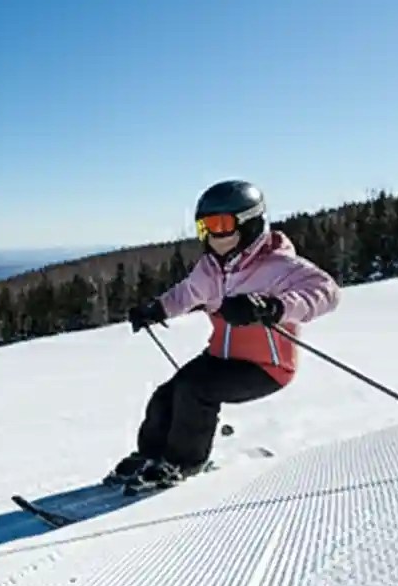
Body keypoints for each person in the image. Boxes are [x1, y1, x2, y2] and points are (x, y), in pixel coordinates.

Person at [107, 179, 341, 489]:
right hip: (220, 357)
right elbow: (187, 293)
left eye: (221, 225)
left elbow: (327, 292)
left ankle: (183, 462)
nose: (212, 236)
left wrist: (272, 307)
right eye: (205, 227)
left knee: (195, 391)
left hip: (266, 367)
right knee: (166, 395)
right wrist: (157, 309)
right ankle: (149, 455)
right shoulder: (211, 267)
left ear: (250, 224)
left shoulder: (279, 265)